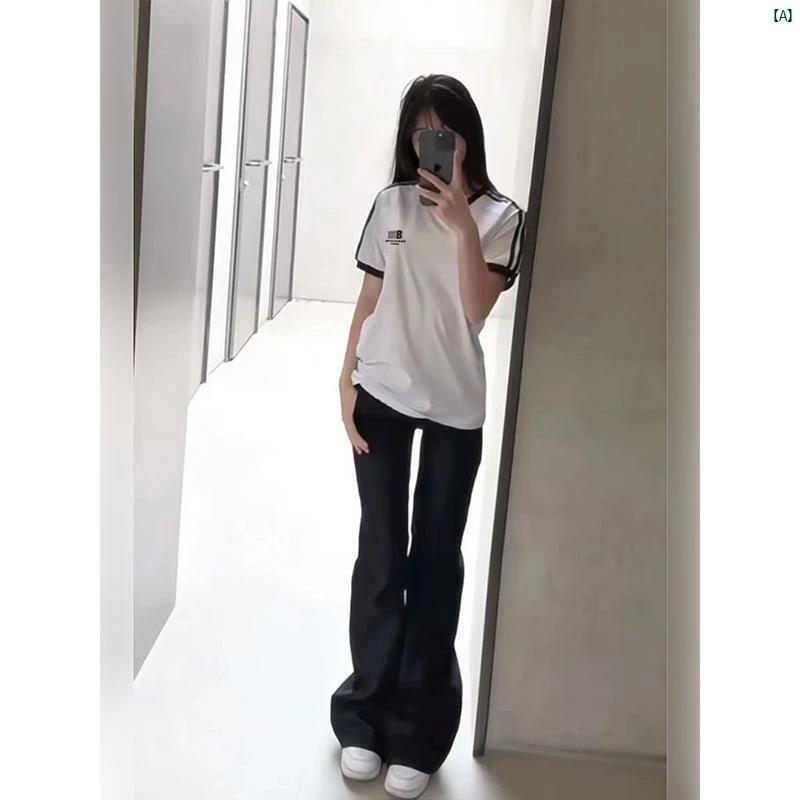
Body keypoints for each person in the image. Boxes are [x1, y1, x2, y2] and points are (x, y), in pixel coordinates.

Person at [330, 73, 526, 799]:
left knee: (436, 564)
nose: (431, 143)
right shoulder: (391, 204)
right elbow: (371, 295)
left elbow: (475, 309)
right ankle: (363, 716)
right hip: (381, 390)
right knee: (381, 556)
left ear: (467, 136)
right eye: (420, 133)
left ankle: (419, 731)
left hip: (453, 407)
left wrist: (461, 225)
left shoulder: (501, 217)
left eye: (444, 130)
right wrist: (345, 378)